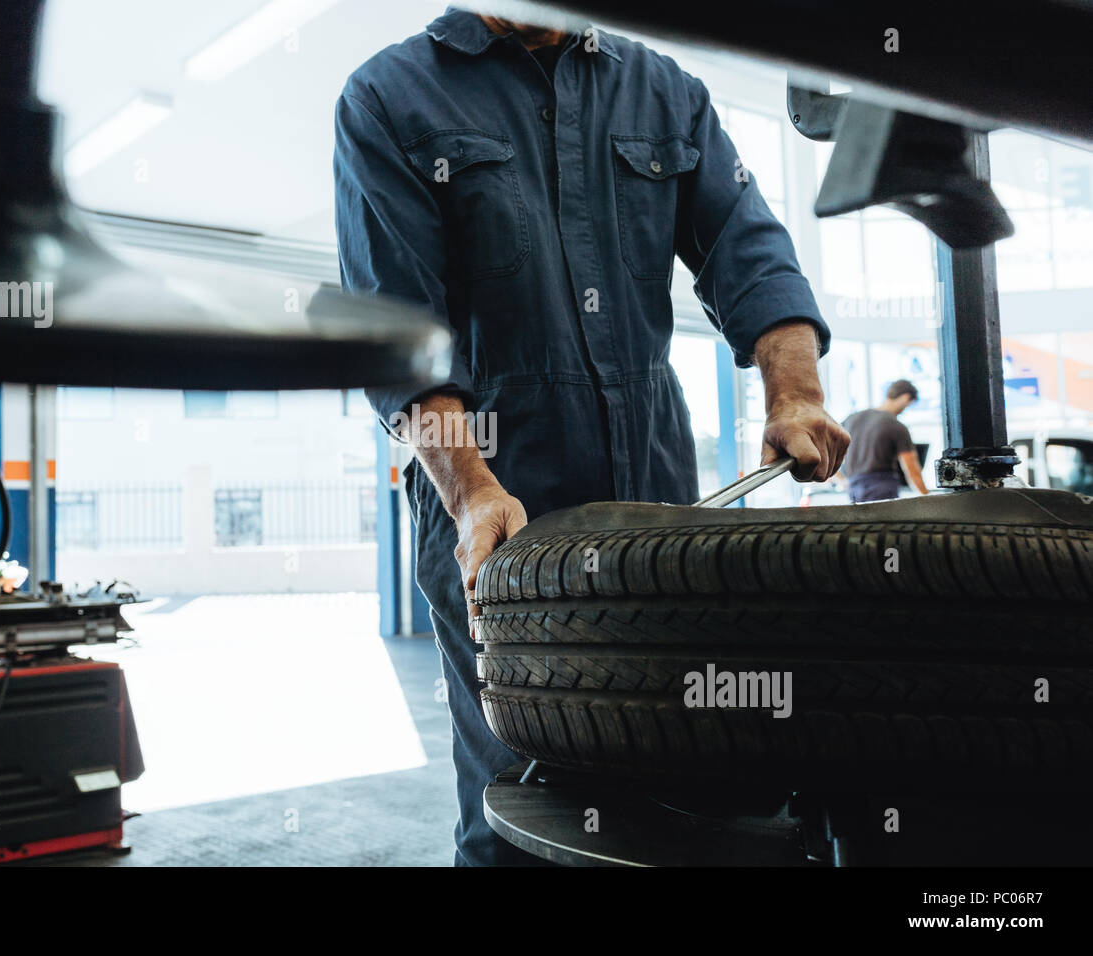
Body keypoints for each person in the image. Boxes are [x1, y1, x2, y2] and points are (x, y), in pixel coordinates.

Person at [334, 6, 849, 865]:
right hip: (495, 509)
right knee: (525, 784)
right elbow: (398, 326)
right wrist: (468, 491)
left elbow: (748, 247)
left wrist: (793, 393)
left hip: (654, 504)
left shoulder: (666, 91)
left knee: (672, 772)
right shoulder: (389, 95)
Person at [841, 380, 929, 502]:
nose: (905, 409)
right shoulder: (896, 426)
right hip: (882, 489)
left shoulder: (851, 419)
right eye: (909, 404)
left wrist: (843, 481)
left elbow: (827, 453)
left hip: (854, 488)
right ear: (905, 398)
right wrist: (927, 498)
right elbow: (912, 470)